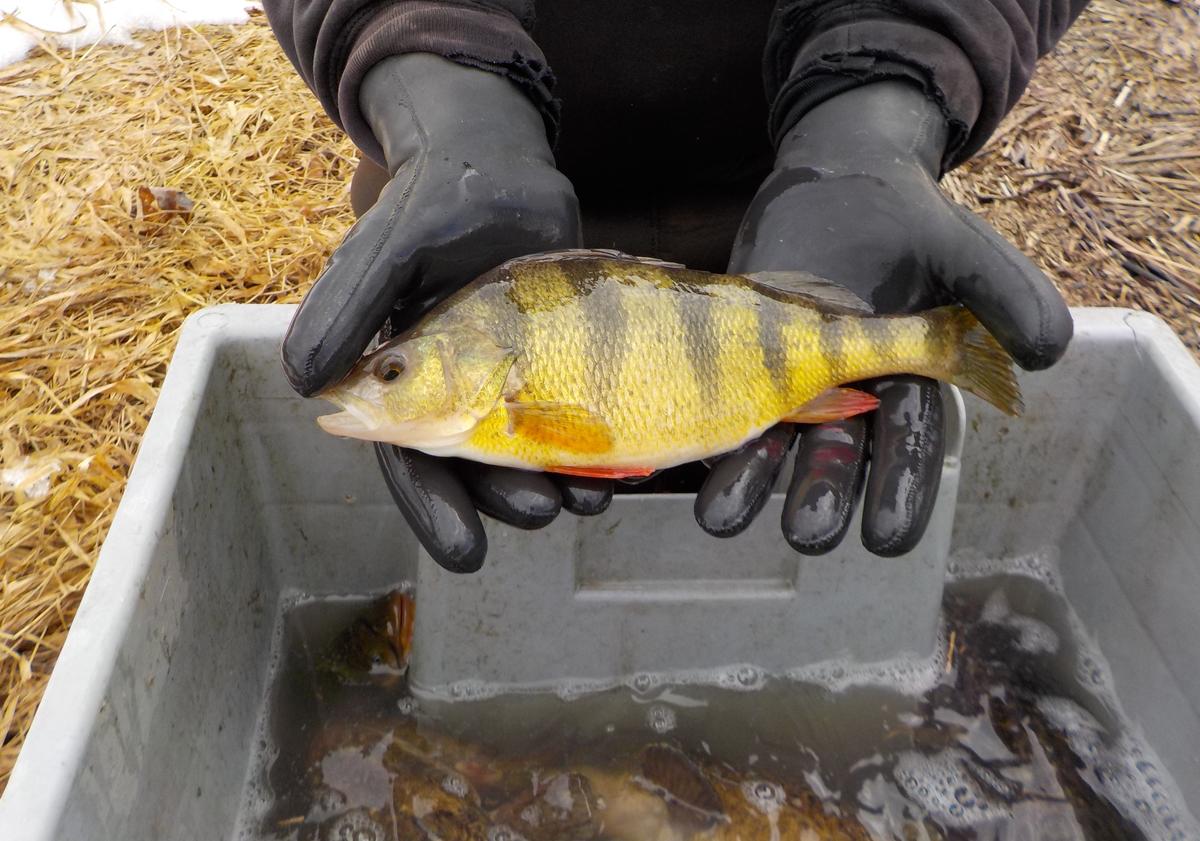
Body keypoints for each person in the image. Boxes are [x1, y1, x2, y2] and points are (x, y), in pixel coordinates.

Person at [262, 0, 1081, 573]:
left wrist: (890, 80)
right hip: (461, 206)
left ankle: (936, 341)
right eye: (391, 370)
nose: (377, 381)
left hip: (810, 201)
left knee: (770, 544)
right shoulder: (469, 328)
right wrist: (434, 75)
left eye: (393, 370)